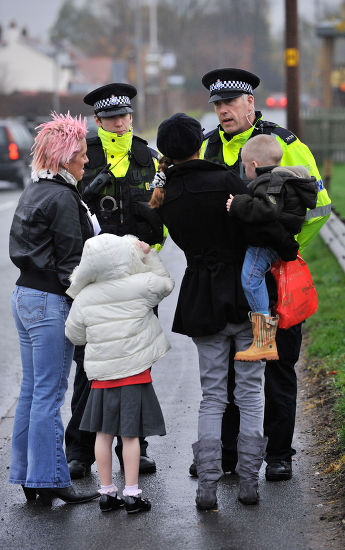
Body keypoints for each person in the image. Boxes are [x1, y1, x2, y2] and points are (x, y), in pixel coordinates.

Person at [149, 113, 295, 508]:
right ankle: (249, 482)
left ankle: (207, 487)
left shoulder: (165, 197)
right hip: (251, 299)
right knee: (251, 392)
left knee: (212, 395)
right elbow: (258, 225)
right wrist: (287, 246)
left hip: (202, 300)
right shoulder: (225, 181)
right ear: (200, 144)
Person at [197, 67, 331, 481]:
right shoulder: (207, 149)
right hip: (227, 279)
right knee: (233, 364)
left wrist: (280, 254)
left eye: (230, 103)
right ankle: (231, 453)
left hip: (272, 277)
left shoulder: (282, 144)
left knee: (277, 365)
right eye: (218, 105)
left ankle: (278, 453)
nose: (223, 111)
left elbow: (319, 208)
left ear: (250, 103)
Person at [65, 83, 165, 479]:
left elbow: (164, 218)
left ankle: (134, 450)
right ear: (97, 120)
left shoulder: (148, 157)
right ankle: (80, 449)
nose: (119, 124)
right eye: (110, 118)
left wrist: (150, 247)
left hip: (136, 278)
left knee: (135, 362)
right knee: (90, 363)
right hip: (92, 279)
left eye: (124, 116)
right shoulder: (80, 155)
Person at [9, 112, 98, 505]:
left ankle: (30, 477)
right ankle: (50, 478)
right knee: (48, 393)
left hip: (24, 297)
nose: (86, 160)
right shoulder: (63, 196)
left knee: (32, 392)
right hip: (48, 302)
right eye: (80, 154)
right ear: (63, 158)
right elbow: (70, 266)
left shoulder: (35, 189)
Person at [65, 233, 174, 514]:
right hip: (134, 375)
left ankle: (106, 493)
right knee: (130, 436)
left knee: (103, 434)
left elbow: (74, 335)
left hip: (102, 377)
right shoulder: (139, 285)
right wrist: (148, 255)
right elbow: (166, 284)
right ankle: (132, 493)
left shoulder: (85, 297)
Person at [226, 134, 318, 362]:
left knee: (250, 279)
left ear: (254, 165)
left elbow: (268, 210)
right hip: (278, 240)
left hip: (266, 244)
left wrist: (236, 203)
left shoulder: (268, 182)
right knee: (253, 278)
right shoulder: (280, 179)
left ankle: (263, 341)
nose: (245, 172)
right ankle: (263, 340)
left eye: (245, 166)